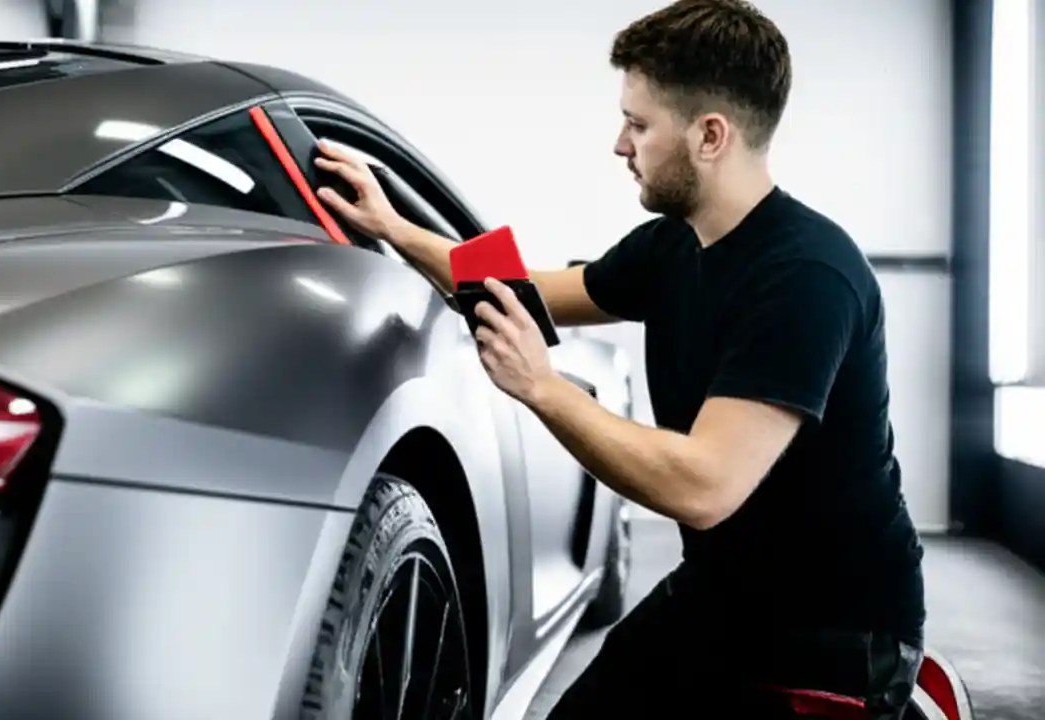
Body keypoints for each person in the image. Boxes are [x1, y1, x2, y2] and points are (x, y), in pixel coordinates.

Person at [313, 0, 926, 716]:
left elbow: (704, 485)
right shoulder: (674, 245)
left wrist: (542, 387)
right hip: (721, 595)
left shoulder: (808, 278)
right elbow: (527, 287)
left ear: (710, 136)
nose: (619, 144)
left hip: (833, 633)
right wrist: (393, 226)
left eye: (638, 124)